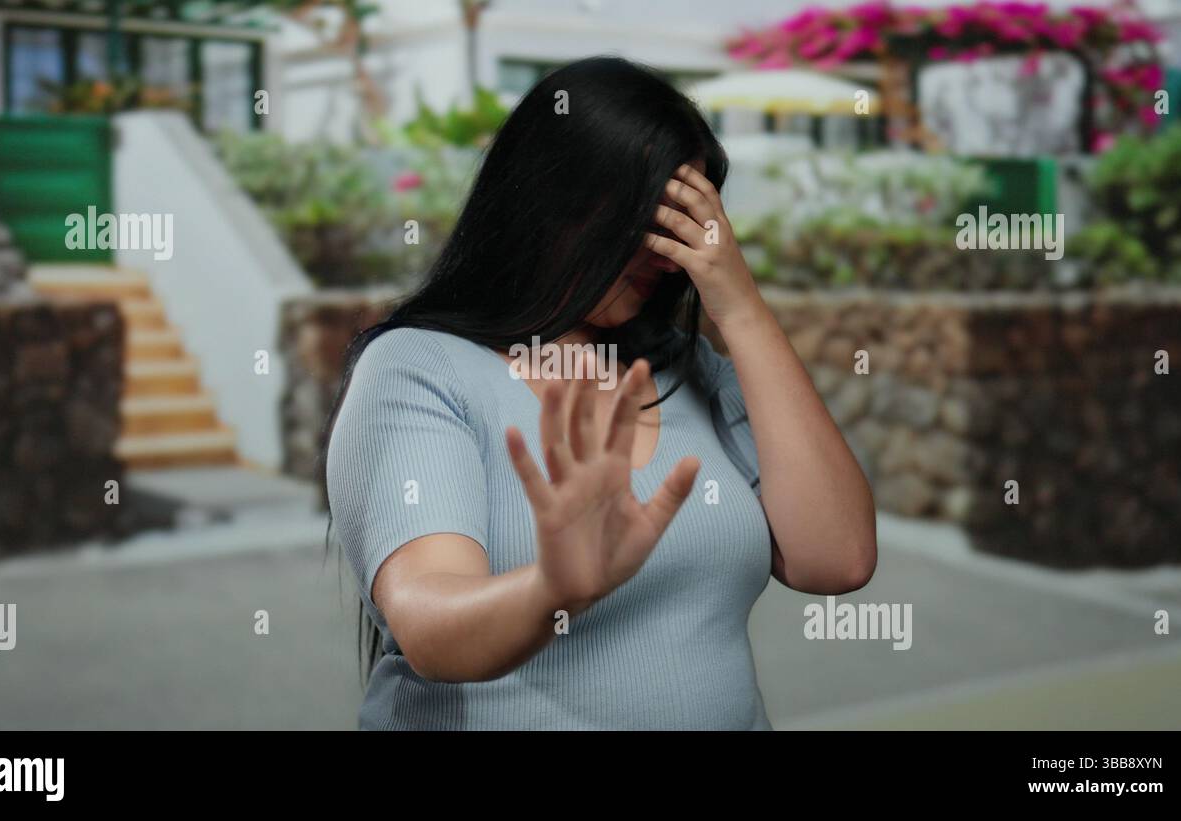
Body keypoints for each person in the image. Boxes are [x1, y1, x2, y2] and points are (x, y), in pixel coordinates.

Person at [325, 57, 877, 730]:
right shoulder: (419, 367)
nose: (666, 252)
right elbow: (431, 628)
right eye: (647, 214)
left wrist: (741, 305)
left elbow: (838, 556)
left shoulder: (689, 367)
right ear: (549, 200)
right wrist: (554, 587)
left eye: (686, 220)